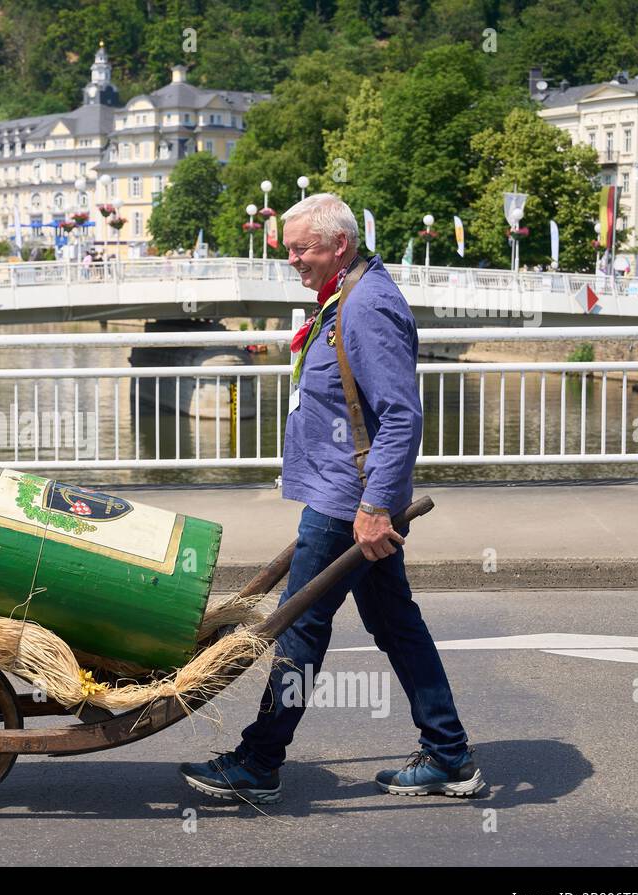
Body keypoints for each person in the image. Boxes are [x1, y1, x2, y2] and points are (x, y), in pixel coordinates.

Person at [179, 193, 484, 804]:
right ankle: (449, 755)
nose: (292, 260)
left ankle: (260, 761)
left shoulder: (366, 306)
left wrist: (372, 510)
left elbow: (401, 415)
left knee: (297, 631)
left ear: (338, 244)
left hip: (349, 502)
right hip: (350, 495)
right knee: (396, 623)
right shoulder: (348, 296)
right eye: (288, 249)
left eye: (302, 249)